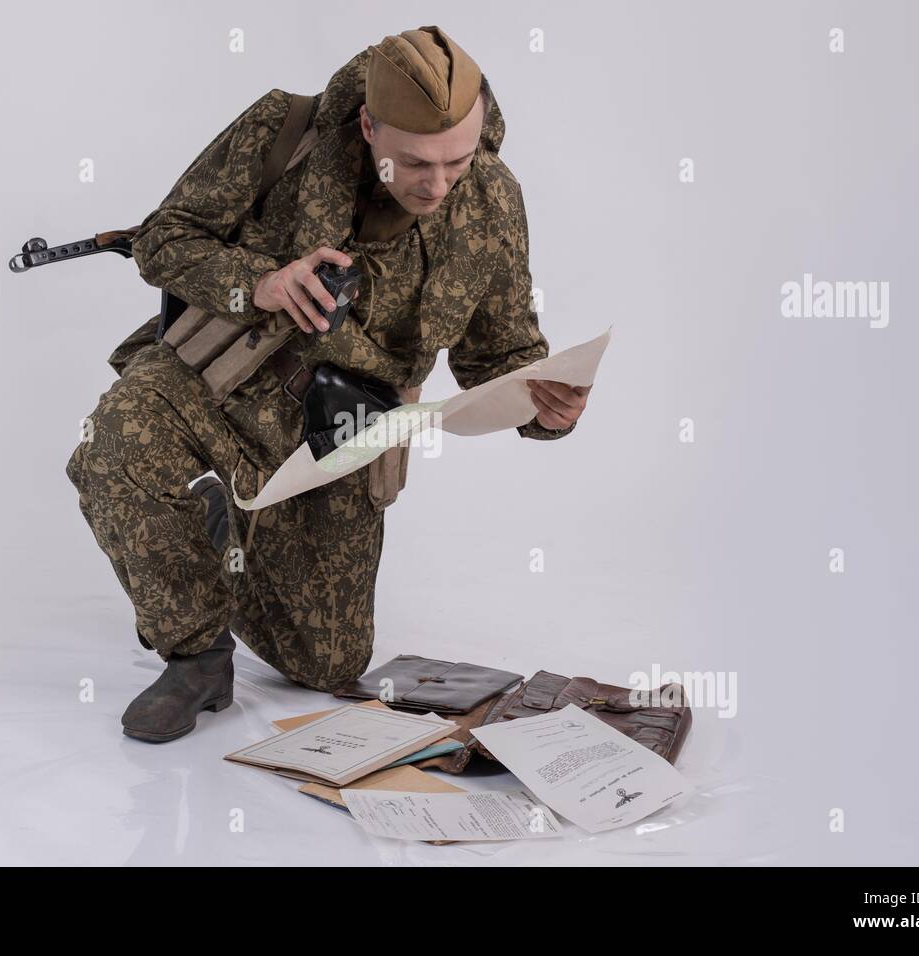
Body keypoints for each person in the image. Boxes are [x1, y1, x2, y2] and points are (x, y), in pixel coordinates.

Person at [65, 26, 591, 742]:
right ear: (370, 126)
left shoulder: (492, 203)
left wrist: (543, 405)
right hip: (222, 372)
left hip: (339, 430)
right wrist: (261, 282)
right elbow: (166, 238)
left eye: (457, 162)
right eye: (412, 163)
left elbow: (499, 352)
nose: (436, 186)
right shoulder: (283, 129)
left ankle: (221, 528)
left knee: (326, 662)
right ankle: (195, 655)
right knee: (115, 450)